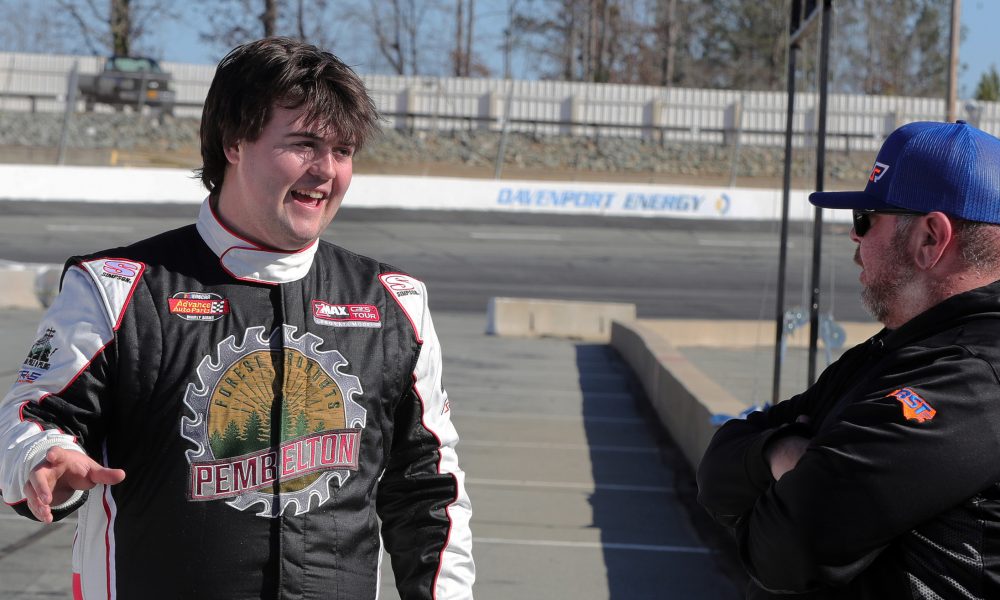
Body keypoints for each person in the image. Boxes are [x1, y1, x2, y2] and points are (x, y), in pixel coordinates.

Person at [0, 37, 474, 600]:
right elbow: (30, 415)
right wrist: (39, 457)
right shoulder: (116, 289)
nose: (326, 171)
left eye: (343, 151)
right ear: (234, 142)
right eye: (303, 144)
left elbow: (429, 492)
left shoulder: (396, 303)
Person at [697, 120, 1000, 599]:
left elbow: (783, 553)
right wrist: (779, 453)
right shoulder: (893, 351)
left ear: (930, 238)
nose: (853, 239)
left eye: (865, 218)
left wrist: (787, 466)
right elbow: (716, 470)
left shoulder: (974, 383)